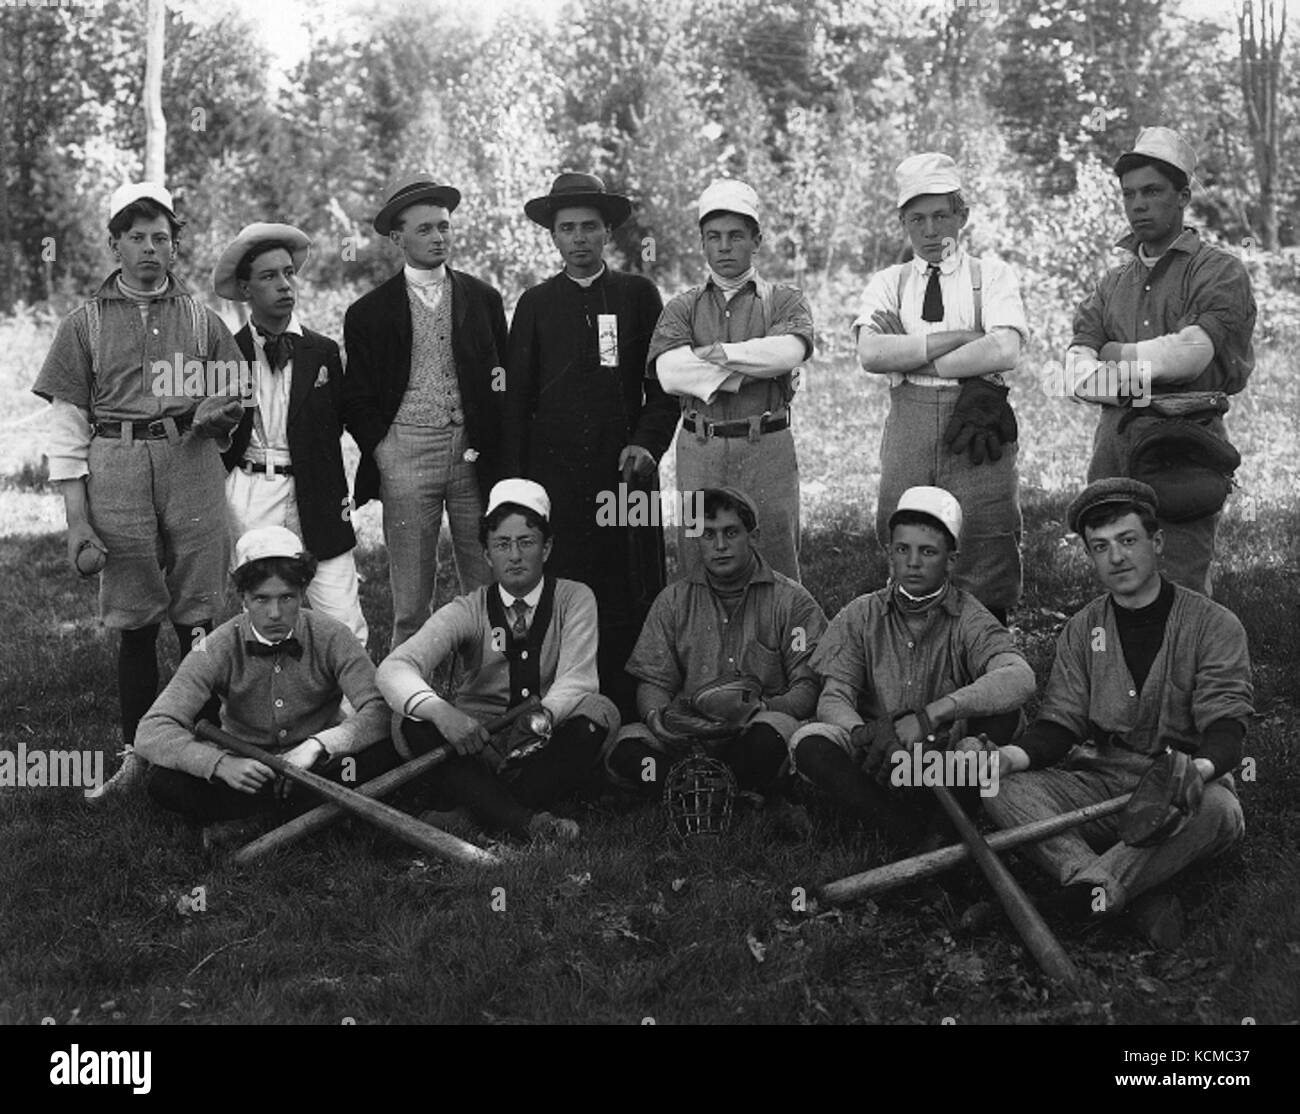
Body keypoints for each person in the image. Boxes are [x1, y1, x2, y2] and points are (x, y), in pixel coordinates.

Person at [33, 182, 245, 801]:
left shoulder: (204, 320)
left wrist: (217, 415)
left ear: (175, 246)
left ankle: (200, 745)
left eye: (162, 238)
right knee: (134, 620)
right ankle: (137, 755)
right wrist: (77, 521)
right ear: (114, 245)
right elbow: (68, 428)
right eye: (137, 237)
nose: (151, 248)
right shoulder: (85, 324)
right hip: (116, 463)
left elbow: (233, 397)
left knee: (199, 614)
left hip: (193, 461)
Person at [978, 478, 1251, 947]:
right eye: (1101, 547)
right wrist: (1010, 759)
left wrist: (1192, 772)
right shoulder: (1083, 629)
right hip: (1099, 785)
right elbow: (1059, 725)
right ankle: (1114, 886)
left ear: (1157, 541)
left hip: (1184, 787)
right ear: (1090, 556)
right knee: (996, 784)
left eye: (1128, 541)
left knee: (1220, 809)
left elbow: (1226, 726)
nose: (1117, 558)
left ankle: (1072, 900)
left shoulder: (1214, 625)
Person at [502, 173, 678, 720]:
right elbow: (516, 401)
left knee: (631, 586)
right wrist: (520, 484)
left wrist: (646, 444)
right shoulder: (535, 304)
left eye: (590, 228)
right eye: (567, 228)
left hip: (624, 471)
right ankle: (570, 704)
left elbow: (663, 385)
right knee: (570, 587)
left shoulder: (637, 295)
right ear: (553, 237)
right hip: (558, 478)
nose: (579, 238)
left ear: (608, 233)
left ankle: (635, 709)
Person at [789, 486, 1035, 847]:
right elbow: (833, 698)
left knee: (997, 726)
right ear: (890, 554)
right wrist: (867, 736)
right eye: (902, 550)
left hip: (941, 755)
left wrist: (932, 715)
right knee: (808, 742)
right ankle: (904, 831)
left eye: (928, 552)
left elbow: (1020, 677)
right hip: (875, 754)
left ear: (952, 559)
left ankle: (936, 828)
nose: (913, 562)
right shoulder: (861, 613)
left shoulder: (969, 616)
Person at [375, 479, 619, 843]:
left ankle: (473, 814)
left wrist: (545, 714)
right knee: (410, 720)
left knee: (597, 714)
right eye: (502, 544)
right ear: (487, 554)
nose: (515, 555)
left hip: (543, 743)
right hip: (478, 745)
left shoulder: (575, 598)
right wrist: (444, 713)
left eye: (526, 542)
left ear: (547, 547)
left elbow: (579, 677)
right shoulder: (469, 609)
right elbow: (394, 668)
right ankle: (523, 821)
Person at [1068, 127, 1256, 596]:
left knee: (1182, 583)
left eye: (1152, 191)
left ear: (1183, 196)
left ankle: (1195, 668)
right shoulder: (1112, 283)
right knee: (1120, 581)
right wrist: (1145, 377)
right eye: (1129, 194)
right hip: (1115, 451)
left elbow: (1190, 357)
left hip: (1185, 448)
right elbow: (1075, 374)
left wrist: (1113, 357)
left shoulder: (1218, 270)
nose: (1138, 205)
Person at [134, 526, 395, 850]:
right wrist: (219, 764)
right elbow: (151, 729)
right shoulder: (215, 647)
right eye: (261, 599)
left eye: (286, 597)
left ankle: (255, 823)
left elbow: (380, 709)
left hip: (319, 766)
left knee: (386, 751)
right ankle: (318, 816)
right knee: (165, 782)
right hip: (248, 772)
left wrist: (317, 746)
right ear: (242, 598)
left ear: (303, 592)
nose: (274, 613)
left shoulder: (333, 635)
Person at [855, 153, 1028, 625]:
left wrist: (910, 350)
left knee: (984, 529)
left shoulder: (990, 276)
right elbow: (871, 355)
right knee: (904, 520)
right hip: (909, 416)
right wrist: (963, 338)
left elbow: (1006, 350)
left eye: (941, 216)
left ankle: (987, 646)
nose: (930, 231)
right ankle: (910, 641)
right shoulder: (890, 283)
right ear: (902, 223)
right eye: (917, 219)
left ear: (962, 216)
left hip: (974, 416)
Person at [342, 175, 509, 647]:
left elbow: (503, 379)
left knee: (487, 582)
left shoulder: (482, 298)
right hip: (406, 451)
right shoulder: (369, 313)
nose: (438, 238)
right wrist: (385, 449)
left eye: (444, 227)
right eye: (425, 230)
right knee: (411, 598)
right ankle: (411, 703)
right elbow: (356, 396)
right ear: (398, 239)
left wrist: (493, 439)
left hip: (473, 454)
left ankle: (490, 690)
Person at [601, 487, 826, 801]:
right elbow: (653, 681)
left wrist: (762, 708)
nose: (720, 546)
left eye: (731, 532)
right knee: (627, 751)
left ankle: (692, 792)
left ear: (754, 536)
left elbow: (808, 685)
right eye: (708, 535)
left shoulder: (792, 601)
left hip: (755, 728)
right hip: (689, 737)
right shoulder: (672, 601)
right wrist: (657, 718)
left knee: (770, 739)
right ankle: (719, 793)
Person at [647, 179, 814, 581]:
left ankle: (784, 640)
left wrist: (711, 356)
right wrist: (751, 365)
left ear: (756, 239)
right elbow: (670, 375)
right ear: (702, 243)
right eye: (714, 237)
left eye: (736, 236)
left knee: (774, 557)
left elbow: (788, 353)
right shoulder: (682, 306)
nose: (724, 247)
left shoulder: (785, 300)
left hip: (766, 444)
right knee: (700, 557)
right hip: (700, 446)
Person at [212, 222, 368, 647]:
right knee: (265, 610)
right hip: (250, 489)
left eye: (288, 274)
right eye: (268, 276)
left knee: (341, 613)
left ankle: (354, 709)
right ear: (245, 289)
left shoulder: (323, 351)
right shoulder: (226, 351)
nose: (284, 285)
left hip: (315, 488)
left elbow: (336, 419)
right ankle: (264, 706)